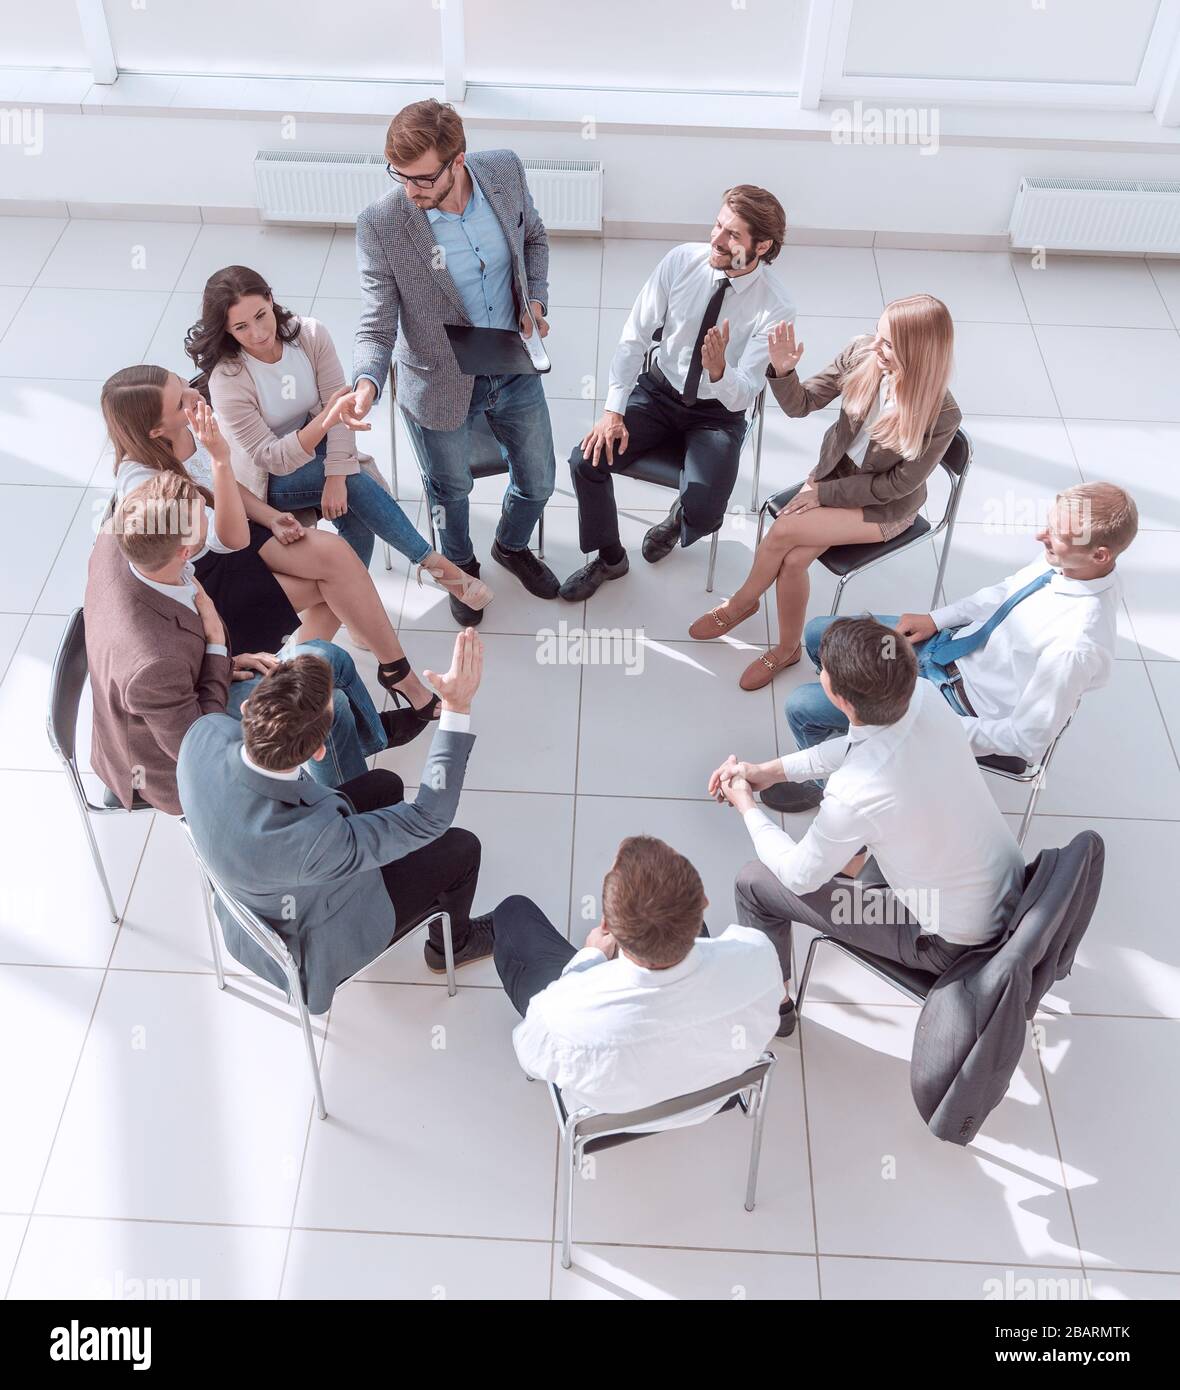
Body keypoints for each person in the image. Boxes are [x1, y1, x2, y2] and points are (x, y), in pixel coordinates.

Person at [711, 616, 1025, 1037]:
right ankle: (852, 869)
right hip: (1005, 887)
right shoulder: (925, 697)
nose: (819, 672)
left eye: (821, 669)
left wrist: (746, 804)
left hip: (948, 941)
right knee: (857, 840)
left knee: (755, 882)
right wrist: (769, 771)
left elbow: (798, 877)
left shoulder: (855, 793)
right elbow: (858, 746)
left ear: (839, 698)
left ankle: (774, 1009)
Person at [101, 363, 442, 733]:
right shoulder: (146, 485)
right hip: (206, 581)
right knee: (334, 590)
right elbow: (231, 539)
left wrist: (269, 516)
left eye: (183, 384)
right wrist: (219, 456)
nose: (195, 395)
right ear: (156, 430)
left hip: (226, 534)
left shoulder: (187, 427)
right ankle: (313, 682)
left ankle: (388, 671)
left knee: (337, 557)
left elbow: (222, 488)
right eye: (181, 400)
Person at [177, 630, 494, 1014]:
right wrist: (457, 709)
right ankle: (451, 947)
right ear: (318, 750)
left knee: (386, 784)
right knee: (462, 848)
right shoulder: (317, 839)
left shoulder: (201, 735)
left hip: (249, 893)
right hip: (313, 940)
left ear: (247, 709)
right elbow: (430, 817)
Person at [774, 481, 1139, 812]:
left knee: (802, 707)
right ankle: (862, 741)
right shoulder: (1070, 563)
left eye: (1056, 535)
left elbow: (1025, 740)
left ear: (1100, 555)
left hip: (952, 706)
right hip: (944, 649)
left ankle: (830, 787)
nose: (1040, 535)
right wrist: (938, 619)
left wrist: (931, 724)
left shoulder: (1076, 644)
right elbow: (1004, 593)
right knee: (822, 634)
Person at [336, 98, 560, 624]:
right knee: (451, 490)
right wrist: (367, 381)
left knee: (540, 480)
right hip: (437, 378)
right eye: (399, 176)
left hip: (510, 359)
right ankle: (459, 566)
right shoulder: (382, 224)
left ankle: (510, 544)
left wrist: (537, 301)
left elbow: (534, 238)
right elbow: (376, 318)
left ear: (458, 161)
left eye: (421, 178)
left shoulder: (504, 170)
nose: (409, 190)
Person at [87, 471, 413, 814]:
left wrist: (226, 660)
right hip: (174, 753)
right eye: (203, 516)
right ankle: (347, 818)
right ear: (185, 551)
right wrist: (214, 647)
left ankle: (362, 745)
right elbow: (200, 743)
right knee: (323, 706)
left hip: (186, 681)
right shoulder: (153, 666)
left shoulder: (119, 537)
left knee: (329, 657)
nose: (210, 515)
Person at [689, 297, 960, 691]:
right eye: (879, 336)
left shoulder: (942, 413)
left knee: (783, 533)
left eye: (888, 344)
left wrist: (823, 495)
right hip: (834, 474)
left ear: (920, 352)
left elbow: (895, 486)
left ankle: (741, 604)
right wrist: (784, 370)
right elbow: (803, 404)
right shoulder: (862, 353)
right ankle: (786, 649)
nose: (877, 347)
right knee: (795, 561)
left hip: (884, 507)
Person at [192, 264, 492, 619]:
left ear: (271, 299)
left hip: (314, 454)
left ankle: (354, 613)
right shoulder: (227, 378)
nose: (258, 333)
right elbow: (270, 458)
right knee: (354, 480)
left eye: (261, 315)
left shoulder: (309, 334)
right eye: (241, 327)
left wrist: (334, 473)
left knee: (355, 518)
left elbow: (343, 415)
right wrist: (332, 441)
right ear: (226, 330)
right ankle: (436, 565)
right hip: (267, 480)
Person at [560, 186, 796, 602]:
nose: (716, 240)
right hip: (659, 392)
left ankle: (676, 521)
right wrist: (613, 409)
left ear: (762, 246)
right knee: (586, 460)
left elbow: (744, 396)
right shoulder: (681, 261)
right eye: (718, 226)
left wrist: (719, 371)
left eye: (733, 236)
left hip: (717, 413)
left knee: (706, 513)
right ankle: (610, 557)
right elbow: (634, 337)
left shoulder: (776, 306)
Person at [493, 836, 782, 1125]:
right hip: (709, 1101)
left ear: (606, 924)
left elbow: (528, 1052)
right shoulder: (759, 956)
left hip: (608, 1119)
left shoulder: (561, 1014)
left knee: (514, 910)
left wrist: (589, 957)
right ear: (703, 902)